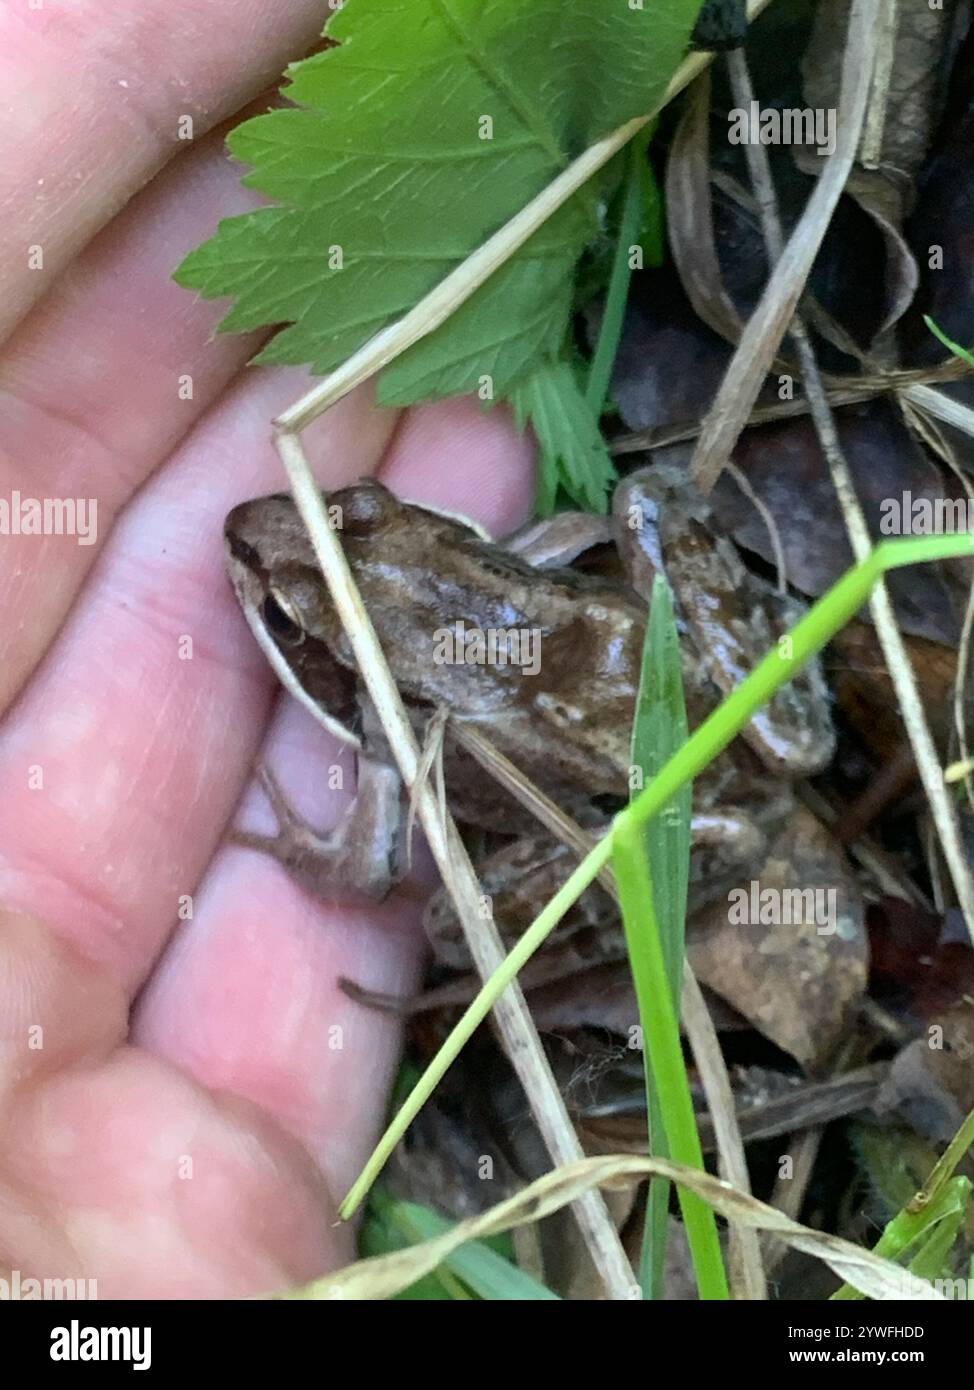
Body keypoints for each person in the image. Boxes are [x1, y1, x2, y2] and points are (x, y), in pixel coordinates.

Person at [0, 1, 534, 1298]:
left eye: (296, 622)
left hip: (537, 753)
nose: (270, 543)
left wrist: (301, 838)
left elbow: (362, 869)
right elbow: (559, 537)